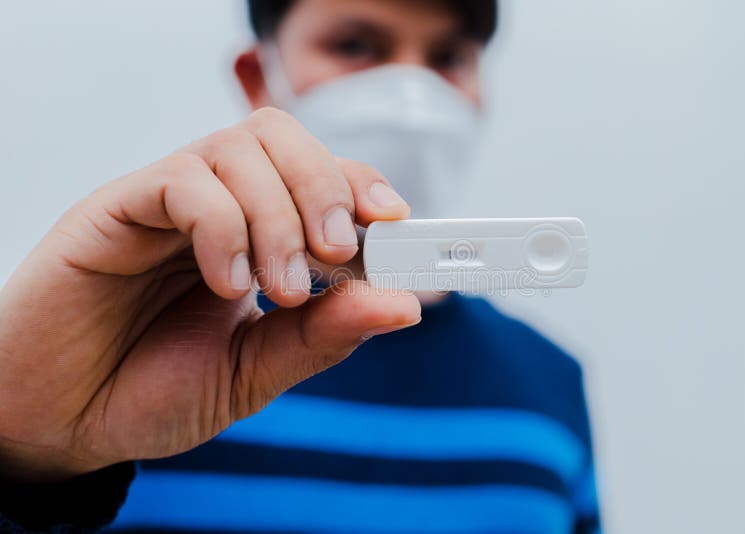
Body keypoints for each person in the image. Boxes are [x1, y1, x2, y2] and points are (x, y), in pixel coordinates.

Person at [0, 0, 600, 532]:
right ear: (258, 76)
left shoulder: (549, 382)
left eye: (449, 57)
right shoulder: (135, 348)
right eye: (355, 45)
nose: (414, 97)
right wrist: (30, 454)